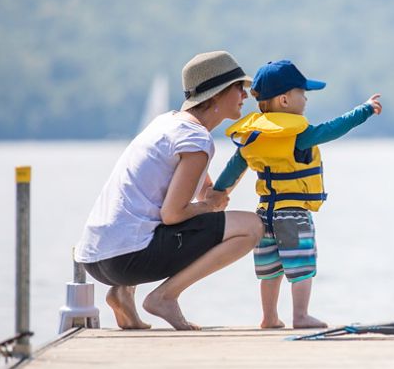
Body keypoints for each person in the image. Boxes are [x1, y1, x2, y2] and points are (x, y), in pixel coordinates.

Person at [75, 51, 264, 330]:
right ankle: (165, 296)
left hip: (95, 258)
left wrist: (245, 160)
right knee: (252, 226)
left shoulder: (168, 123)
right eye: (239, 87)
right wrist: (209, 206)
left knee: (145, 216)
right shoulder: (196, 139)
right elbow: (174, 214)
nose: (245, 95)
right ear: (218, 94)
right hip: (126, 258)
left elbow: (206, 195)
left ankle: (122, 293)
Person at [213, 59, 382, 329]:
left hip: (263, 213)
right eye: (302, 94)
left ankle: (269, 317)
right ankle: (300, 316)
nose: (305, 99)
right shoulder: (298, 136)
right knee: (301, 267)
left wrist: (217, 192)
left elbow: (232, 169)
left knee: (270, 269)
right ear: (283, 101)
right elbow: (334, 128)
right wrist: (364, 111)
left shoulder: (252, 137)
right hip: (293, 213)